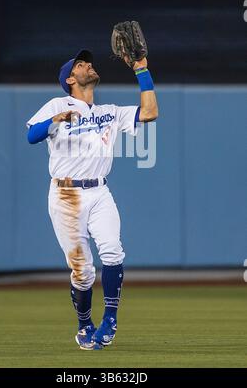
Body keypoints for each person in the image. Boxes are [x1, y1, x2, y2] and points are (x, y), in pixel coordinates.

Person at [26, 49, 158, 350]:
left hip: (99, 191)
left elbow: (150, 112)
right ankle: (85, 323)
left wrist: (141, 69)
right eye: (81, 64)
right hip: (65, 195)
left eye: (88, 62)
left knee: (113, 251)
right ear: (71, 78)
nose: (88, 65)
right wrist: (55, 120)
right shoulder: (59, 103)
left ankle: (110, 319)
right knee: (83, 272)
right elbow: (32, 136)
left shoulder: (108, 111)